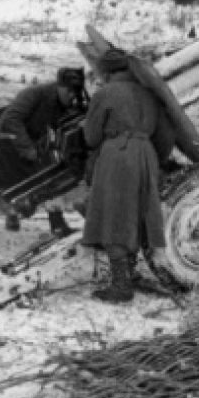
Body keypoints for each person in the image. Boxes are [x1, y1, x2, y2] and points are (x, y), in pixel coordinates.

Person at [81, 48, 175, 303]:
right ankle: (128, 272)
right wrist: (151, 158)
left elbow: (91, 136)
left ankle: (122, 285)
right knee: (137, 214)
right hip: (147, 154)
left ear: (106, 71)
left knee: (116, 215)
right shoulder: (151, 94)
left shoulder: (105, 94)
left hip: (117, 155)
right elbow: (166, 137)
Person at [0, 68, 86, 236]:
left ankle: (56, 222)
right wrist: (27, 148)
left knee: (46, 178)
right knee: (11, 183)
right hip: (8, 141)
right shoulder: (33, 94)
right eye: (69, 91)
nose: (72, 96)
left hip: (32, 139)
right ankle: (12, 213)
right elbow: (11, 120)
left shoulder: (62, 101)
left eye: (75, 92)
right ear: (59, 86)